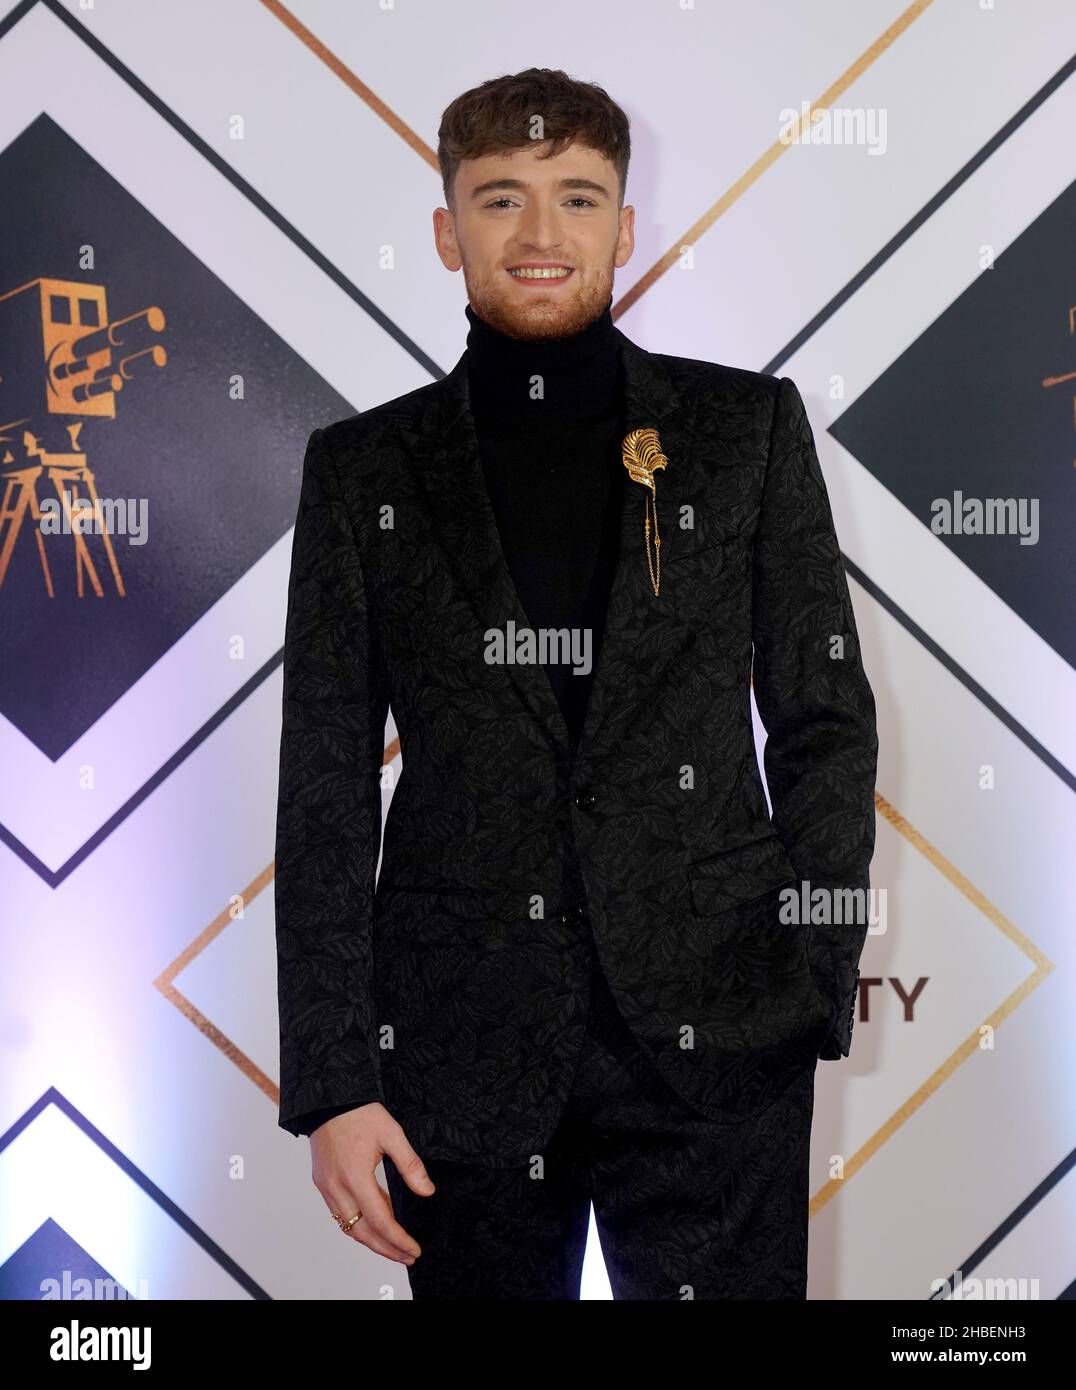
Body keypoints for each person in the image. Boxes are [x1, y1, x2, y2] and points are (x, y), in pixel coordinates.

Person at [274, 67, 878, 1300]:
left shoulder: (745, 432)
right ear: (447, 231)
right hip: (460, 1049)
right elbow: (324, 780)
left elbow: (822, 718)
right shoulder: (361, 470)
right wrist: (334, 1080)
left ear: (624, 226)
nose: (541, 236)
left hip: (720, 1041)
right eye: (500, 200)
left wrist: (810, 979)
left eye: (577, 198)